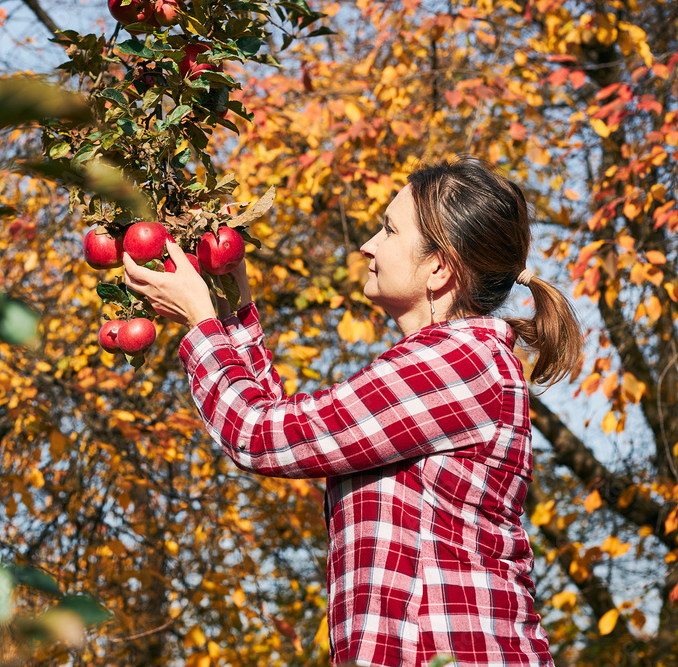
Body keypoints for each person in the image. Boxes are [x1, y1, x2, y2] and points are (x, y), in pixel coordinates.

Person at [122, 156, 583, 666]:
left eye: (388, 230)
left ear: (439, 267)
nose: (368, 244)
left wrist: (199, 321)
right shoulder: (449, 362)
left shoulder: (458, 362)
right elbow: (284, 421)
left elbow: (259, 436)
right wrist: (231, 311)